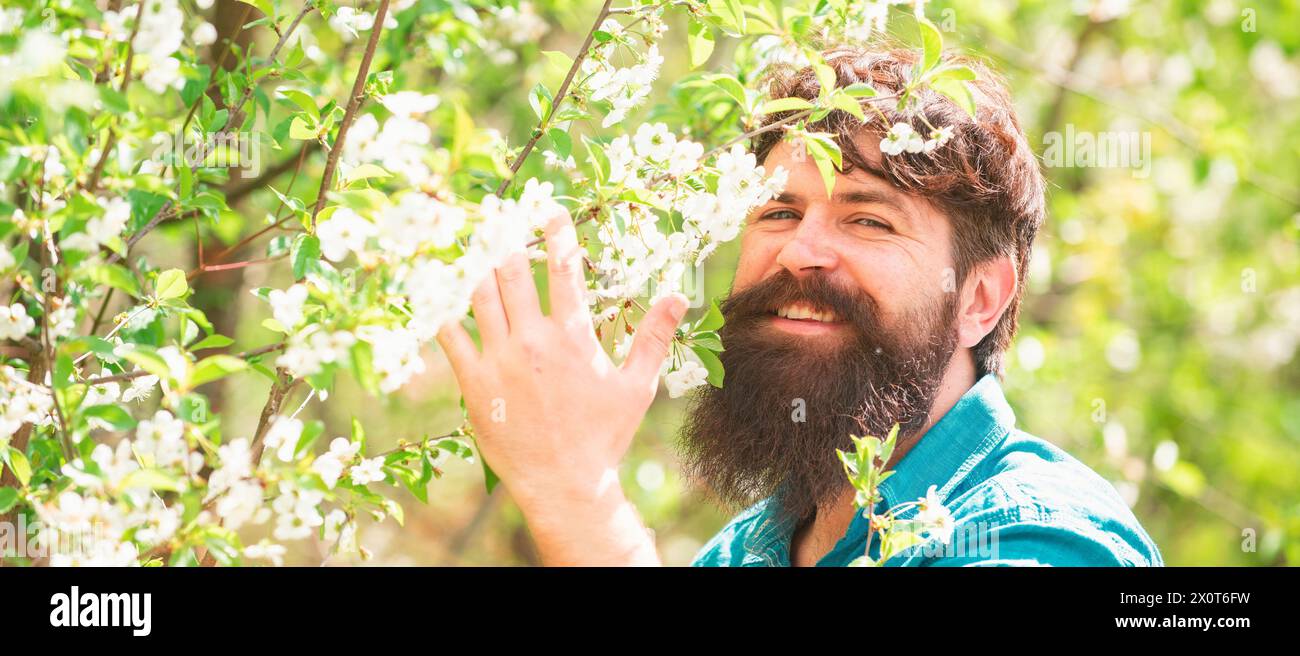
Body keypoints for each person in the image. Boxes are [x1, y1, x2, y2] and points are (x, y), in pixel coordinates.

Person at [434, 44, 1163, 566]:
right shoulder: (742, 553)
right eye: (777, 213)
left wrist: (579, 500)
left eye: (868, 219)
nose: (799, 251)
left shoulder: (1042, 536)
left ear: (979, 300)